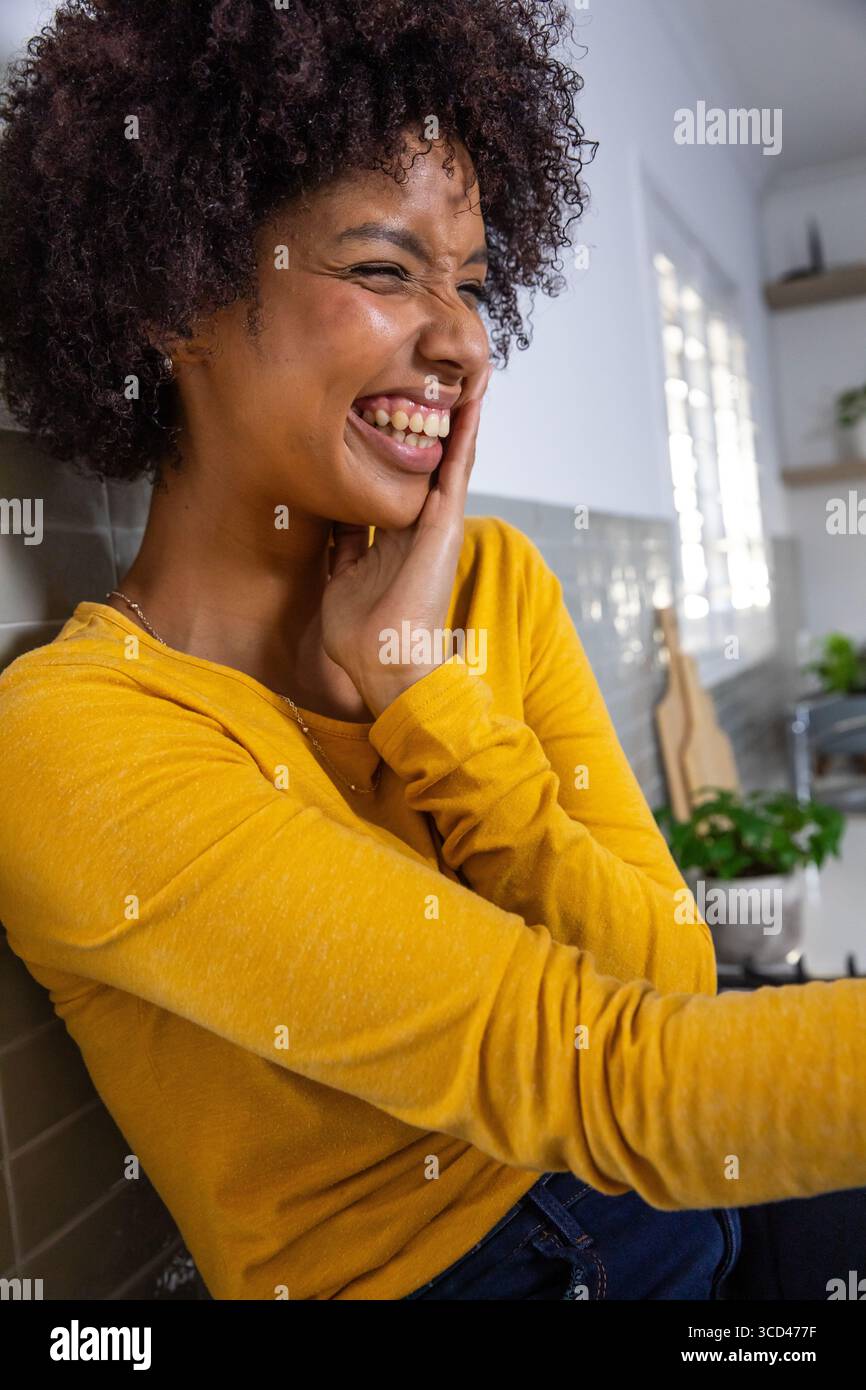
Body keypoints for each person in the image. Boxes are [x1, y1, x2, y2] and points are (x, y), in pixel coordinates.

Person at [0, 0, 863, 1301]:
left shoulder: (493, 592)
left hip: (674, 1196)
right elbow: (612, 1072)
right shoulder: (70, 740)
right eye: (386, 268)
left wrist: (429, 699)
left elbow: (669, 981)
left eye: (466, 280)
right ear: (169, 294)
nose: (462, 339)